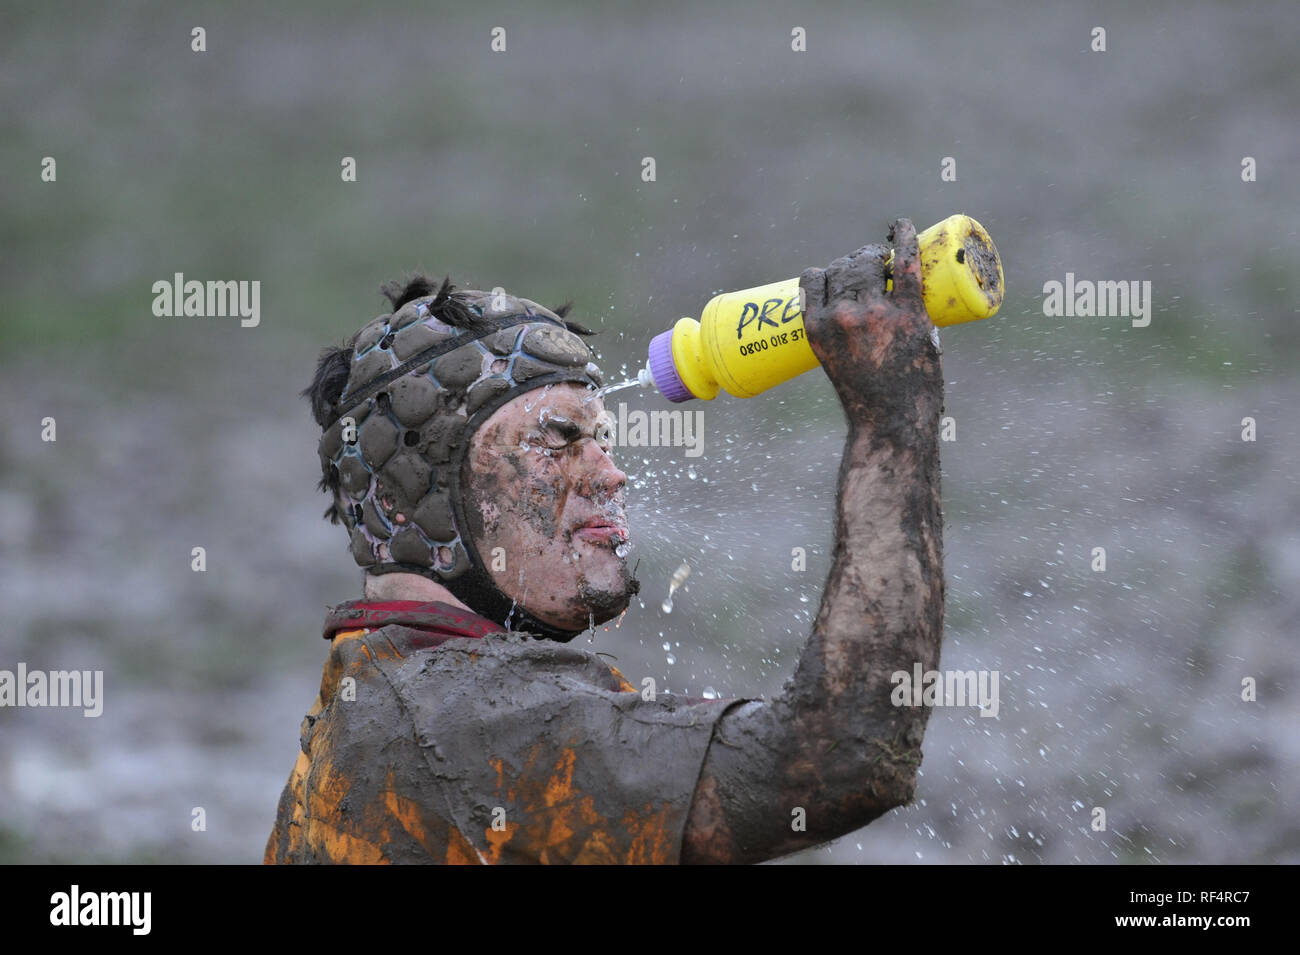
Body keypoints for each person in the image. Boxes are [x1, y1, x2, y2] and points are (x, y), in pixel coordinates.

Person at [264, 218, 945, 865]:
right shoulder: (459, 721)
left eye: (603, 439)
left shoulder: (379, 686)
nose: (611, 473)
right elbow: (838, 761)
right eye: (558, 439)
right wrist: (891, 418)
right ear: (418, 502)